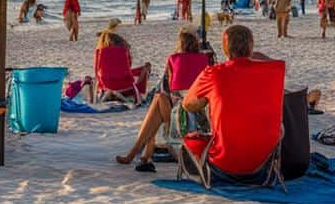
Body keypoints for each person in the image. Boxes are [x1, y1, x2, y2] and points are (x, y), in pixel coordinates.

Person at [178, 25, 283, 180]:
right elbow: (271, 61)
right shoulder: (275, 70)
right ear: (251, 46)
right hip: (264, 164)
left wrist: (210, 99)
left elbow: (187, 104)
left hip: (225, 165)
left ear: (225, 48)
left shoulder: (214, 73)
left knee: (191, 140)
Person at [115, 28, 210, 172]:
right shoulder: (205, 60)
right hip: (201, 114)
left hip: (183, 117)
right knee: (159, 101)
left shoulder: (173, 59)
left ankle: (139, 153)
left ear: (180, 45)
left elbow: (168, 87)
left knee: (159, 98)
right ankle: (143, 155)